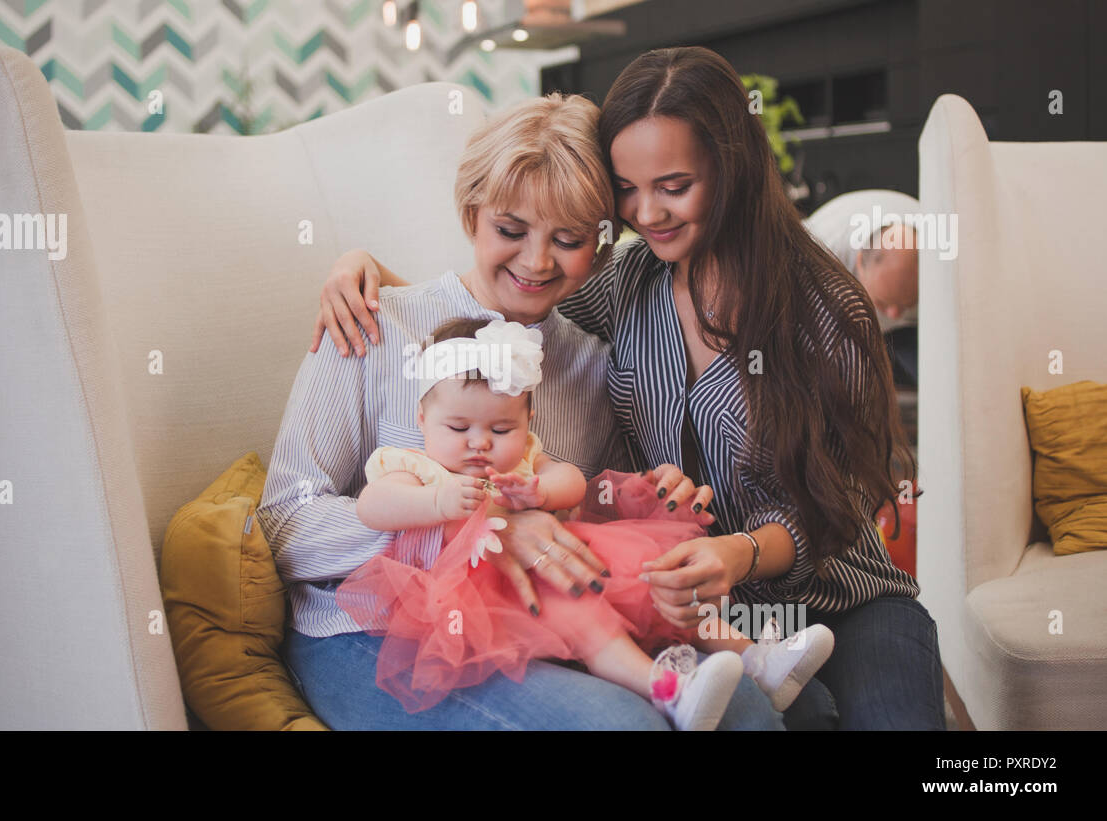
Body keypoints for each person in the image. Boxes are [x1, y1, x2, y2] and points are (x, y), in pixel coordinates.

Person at [312, 46, 946, 730]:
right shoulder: (628, 283)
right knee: (788, 714)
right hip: (695, 602)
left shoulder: (827, 306)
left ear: (731, 169)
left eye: (674, 185)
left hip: (840, 596)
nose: (648, 214)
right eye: (629, 189)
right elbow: (511, 311)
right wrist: (375, 271)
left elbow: (847, 502)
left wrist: (741, 550)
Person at [338, 316, 835, 728]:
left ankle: (758, 659)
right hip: (493, 592)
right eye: (458, 427)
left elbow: (573, 481)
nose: (480, 442)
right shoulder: (416, 468)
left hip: (567, 557)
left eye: (502, 427)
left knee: (654, 576)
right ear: (422, 420)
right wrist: (439, 502)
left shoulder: (524, 459)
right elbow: (372, 505)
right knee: (586, 619)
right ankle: (667, 690)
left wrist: (539, 491)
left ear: (527, 423)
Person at [805, 189, 920, 385]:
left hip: (912, 328)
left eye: (906, 302)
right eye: (882, 303)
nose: (893, 314)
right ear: (859, 262)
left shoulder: (945, 259)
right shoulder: (817, 254)